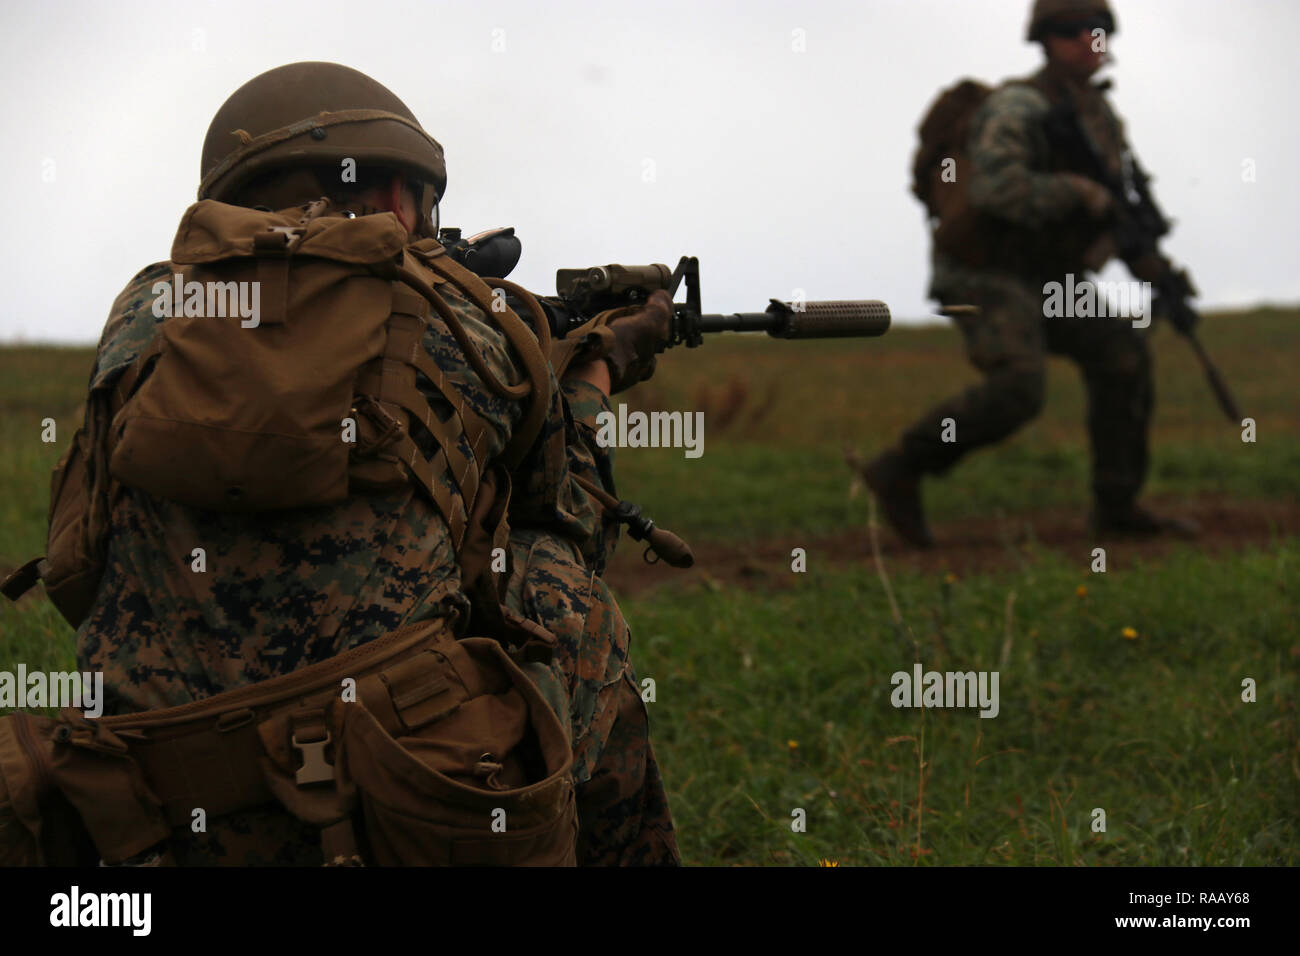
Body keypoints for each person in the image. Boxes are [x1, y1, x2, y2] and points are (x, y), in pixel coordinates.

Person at [59, 61, 678, 864]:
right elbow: (571, 519)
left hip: (139, 810)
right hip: (386, 790)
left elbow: (80, 561)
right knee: (564, 597)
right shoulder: (466, 321)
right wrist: (594, 372)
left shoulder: (145, 314)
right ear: (396, 192)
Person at [858, 0, 1197, 548]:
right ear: (1045, 40)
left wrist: (1154, 268)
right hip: (983, 273)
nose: (1088, 40)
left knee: (1124, 354)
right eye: (1072, 31)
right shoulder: (1018, 108)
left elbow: (1116, 210)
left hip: (1046, 277)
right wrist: (1076, 192)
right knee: (1020, 386)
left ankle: (1116, 506)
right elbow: (997, 190)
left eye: (1099, 30)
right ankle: (900, 466)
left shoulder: (1100, 118)